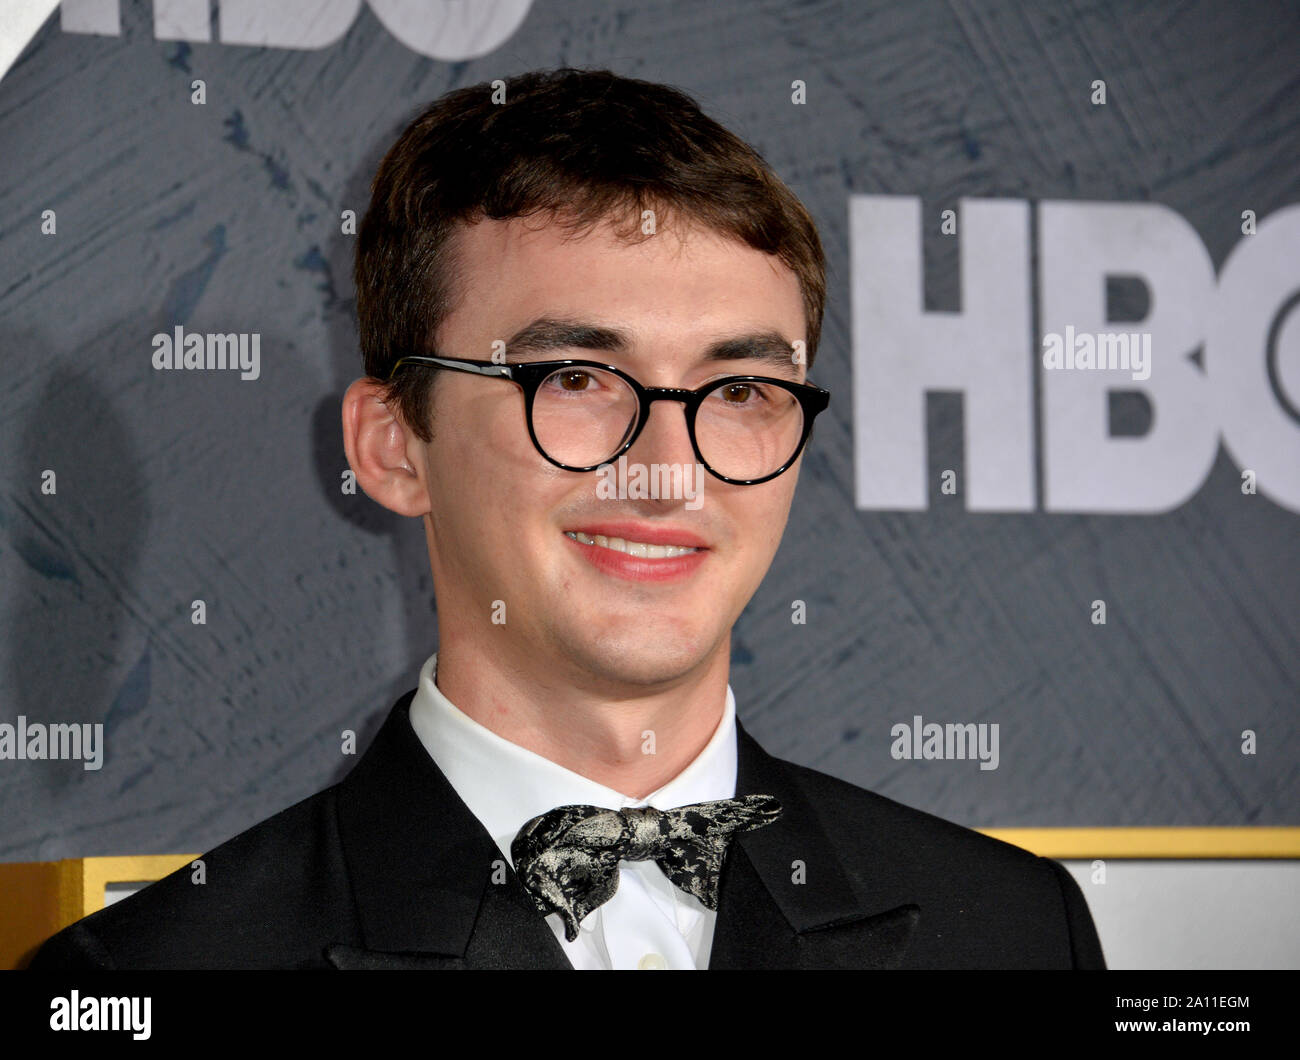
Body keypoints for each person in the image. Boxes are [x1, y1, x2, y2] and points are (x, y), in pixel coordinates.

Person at [30, 67, 1104, 971]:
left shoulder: (1013, 931)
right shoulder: (148, 974)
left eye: (737, 391)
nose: (669, 470)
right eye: (579, 378)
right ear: (393, 444)